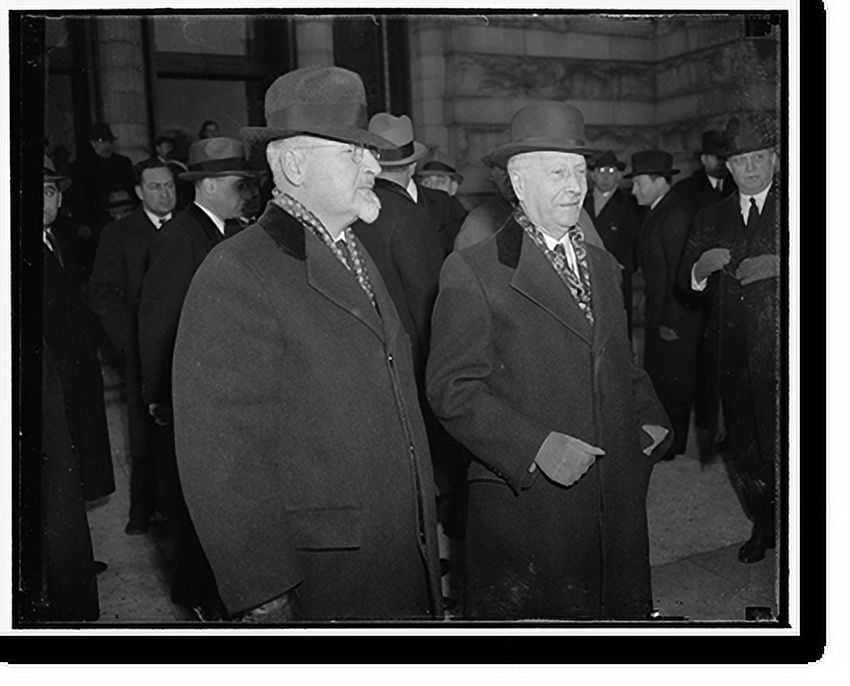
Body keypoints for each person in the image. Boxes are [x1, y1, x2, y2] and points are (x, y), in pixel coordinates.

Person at [171, 65, 442, 622]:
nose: (374, 166)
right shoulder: (237, 271)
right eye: (353, 153)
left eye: (370, 152)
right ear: (294, 165)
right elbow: (222, 458)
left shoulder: (350, 248)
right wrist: (264, 593)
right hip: (325, 574)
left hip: (390, 549)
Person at [426, 101, 672, 620]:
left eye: (579, 171)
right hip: (533, 503)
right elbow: (451, 389)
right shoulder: (473, 270)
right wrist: (535, 447)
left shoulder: (602, 264)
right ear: (518, 182)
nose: (575, 186)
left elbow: (619, 359)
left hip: (613, 493)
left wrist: (652, 422)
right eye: (557, 172)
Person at [137, 136, 260, 618]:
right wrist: (161, 396)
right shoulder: (180, 237)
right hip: (191, 391)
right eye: (237, 184)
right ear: (207, 186)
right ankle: (197, 597)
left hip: (221, 387)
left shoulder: (226, 231)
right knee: (198, 498)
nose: (245, 194)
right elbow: (158, 322)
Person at [679, 112, 781, 564]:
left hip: (785, 356)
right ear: (728, 167)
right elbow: (685, 283)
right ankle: (765, 524)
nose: (750, 168)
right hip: (733, 358)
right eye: (740, 161)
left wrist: (783, 265)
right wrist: (701, 268)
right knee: (745, 446)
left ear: (774, 159)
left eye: (758, 158)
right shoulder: (711, 215)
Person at [41, 156, 115, 616]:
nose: (43, 202)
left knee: (72, 482)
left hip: (73, 382)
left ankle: (73, 562)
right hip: (48, 392)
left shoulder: (57, 241)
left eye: (50, 192)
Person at [90, 159, 177, 536]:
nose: (165, 193)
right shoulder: (119, 234)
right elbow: (102, 294)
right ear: (139, 192)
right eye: (155, 187)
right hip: (140, 351)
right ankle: (143, 513)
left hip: (182, 347)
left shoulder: (187, 227)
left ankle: (176, 512)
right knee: (144, 437)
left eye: (169, 185)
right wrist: (129, 343)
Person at [628, 149, 702, 459]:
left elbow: (678, 271)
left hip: (675, 317)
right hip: (661, 311)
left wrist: (671, 321)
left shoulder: (675, 214)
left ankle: (673, 445)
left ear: (660, 181)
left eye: (639, 183)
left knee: (674, 382)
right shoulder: (659, 209)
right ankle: (666, 441)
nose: (634, 190)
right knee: (661, 378)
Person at [454, 151, 604, 253]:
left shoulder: (575, 215)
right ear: (492, 175)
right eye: (503, 169)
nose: (510, 177)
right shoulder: (479, 222)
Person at [66, 123, 136, 280]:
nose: (106, 146)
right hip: (97, 221)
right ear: (92, 143)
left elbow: (132, 189)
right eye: (100, 141)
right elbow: (77, 198)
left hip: (125, 217)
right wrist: (82, 223)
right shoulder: (81, 166)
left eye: (109, 141)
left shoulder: (123, 162)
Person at [583, 150, 641, 335]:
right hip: (586, 274)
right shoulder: (581, 202)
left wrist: (625, 265)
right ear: (592, 175)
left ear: (619, 175)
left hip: (617, 276)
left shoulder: (631, 204)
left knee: (617, 328)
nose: (606, 177)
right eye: (601, 171)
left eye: (611, 171)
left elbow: (638, 241)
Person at [671, 129, 736, 212]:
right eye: (717, 157)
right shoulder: (685, 190)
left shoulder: (736, 184)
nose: (722, 162)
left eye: (725, 158)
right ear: (704, 159)